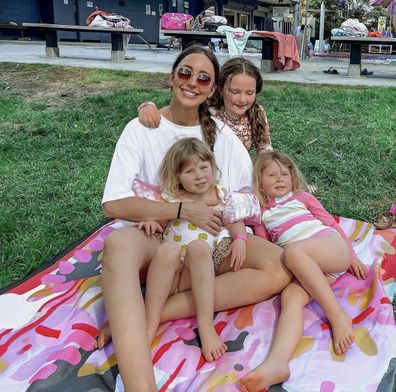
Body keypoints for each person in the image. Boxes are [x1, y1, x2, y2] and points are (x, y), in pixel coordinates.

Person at [100, 45, 291, 391]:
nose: (193, 82)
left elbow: (249, 198)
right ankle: (139, 385)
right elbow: (113, 204)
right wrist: (179, 211)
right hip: (156, 238)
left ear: (213, 87)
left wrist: (230, 223)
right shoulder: (142, 128)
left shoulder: (222, 135)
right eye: (186, 72)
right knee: (117, 245)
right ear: (172, 77)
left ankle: (146, 312)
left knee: (281, 265)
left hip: (208, 243)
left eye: (204, 77)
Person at [239, 151, 368, 392]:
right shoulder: (262, 214)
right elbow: (267, 249)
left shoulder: (302, 198)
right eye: (272, 175)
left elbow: (331, 224)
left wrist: (351, 256)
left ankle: (337, 315)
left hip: (330, 249)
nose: (280, 179)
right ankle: (277, 363)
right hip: (310, 270)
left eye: (284, 174)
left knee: (293, 253)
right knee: (290, 297)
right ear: (259, 179)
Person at [141, 137, 248, 362]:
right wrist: (151, 222)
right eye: (190, 171)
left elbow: (235, 220)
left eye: (203, 167)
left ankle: (206, 327)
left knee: (199, 247)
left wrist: (240, 239)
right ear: (178, 178)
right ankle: (149, 326)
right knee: (168, 250)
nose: (199, 175)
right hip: (169, 275)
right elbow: (159, 221)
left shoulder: (221, 195)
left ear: (212, 166)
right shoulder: (174, 199)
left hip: (195, 274)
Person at [138, 57, 272, 155]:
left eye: (250, 93)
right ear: (219, 89)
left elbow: (265, 151)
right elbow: (172, 116)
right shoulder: (206, 108)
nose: (242, 99)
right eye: (235, 92)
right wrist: (147, 106)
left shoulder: (257, 112)